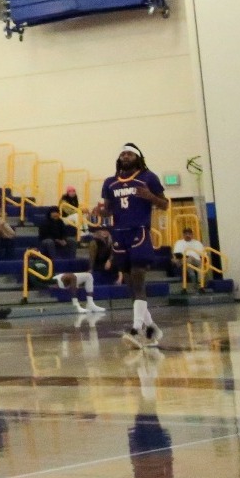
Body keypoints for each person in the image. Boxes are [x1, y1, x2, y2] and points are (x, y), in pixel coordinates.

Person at [94, 143, 170, 350]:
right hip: (119, 234)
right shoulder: (110, 182)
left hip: (139, 231)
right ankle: (151, 327)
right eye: (123, 153)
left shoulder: (148, 177)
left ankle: (136, 330)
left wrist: (150, 197)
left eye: (129, 153)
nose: (126, 156)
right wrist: (101, 213)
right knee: (130, 286)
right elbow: (109, 211)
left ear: (137, 157)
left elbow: (165, 204)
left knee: (138, 280)